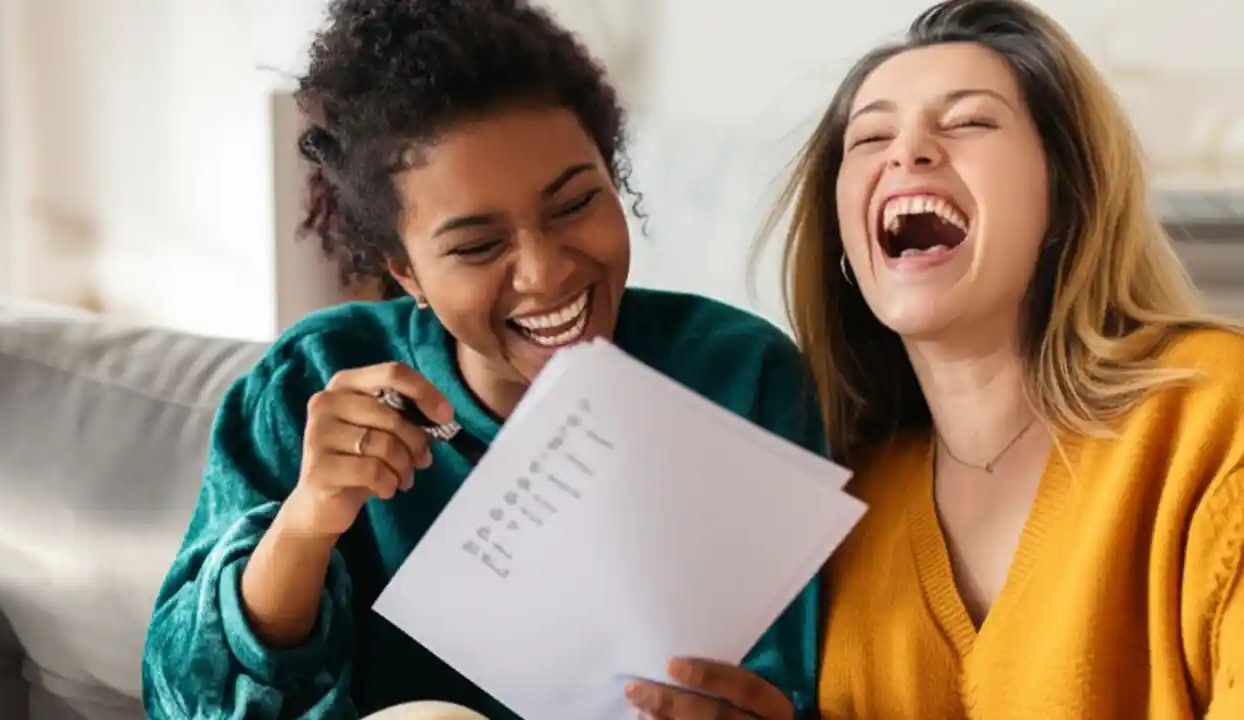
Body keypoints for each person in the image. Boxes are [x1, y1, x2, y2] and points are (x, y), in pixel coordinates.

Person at [142, 1, 823, 718]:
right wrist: (309, 522)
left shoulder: (741, 378)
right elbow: (184, 702)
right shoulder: (308, 383)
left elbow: (811, 680)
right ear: (403, 271)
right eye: (476, 246)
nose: (546, 272)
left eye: (575, 204)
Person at [770, 0, 1244, 716]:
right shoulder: (838, 505)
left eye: (968, 121)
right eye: (869, 138)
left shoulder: (1214, 416)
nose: (908, 151)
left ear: (1067, 194)